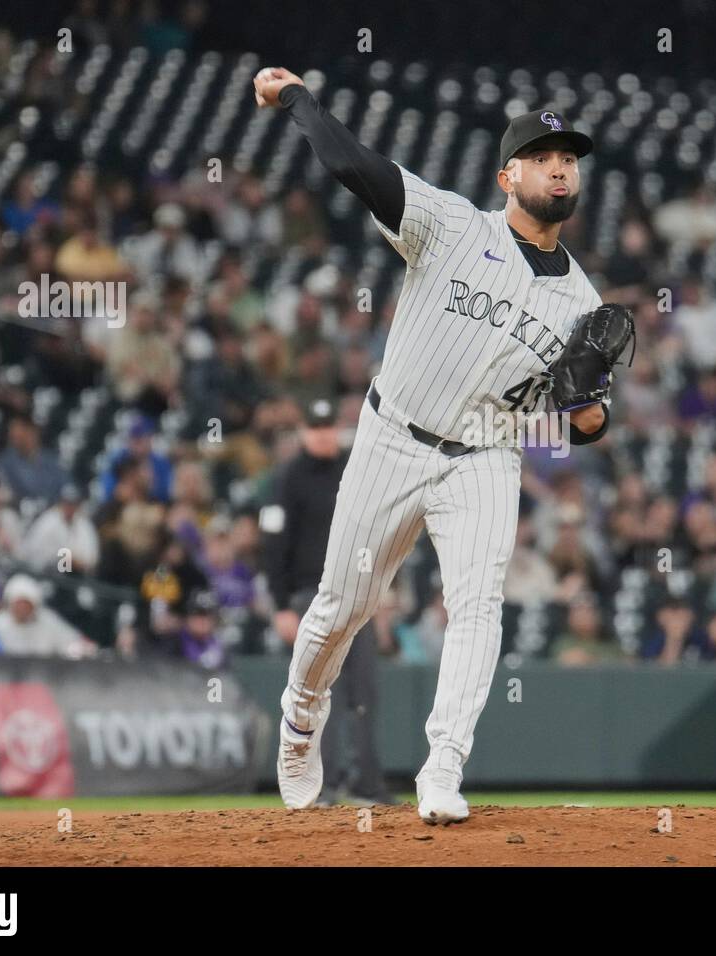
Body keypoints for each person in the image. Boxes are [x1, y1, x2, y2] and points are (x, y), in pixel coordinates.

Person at [254, 67, 609, 823]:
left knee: (479, 607)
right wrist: (296, 98)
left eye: (570, 157)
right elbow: (353, 166)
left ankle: (442, 769)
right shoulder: (450, 224)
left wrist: (588, 408)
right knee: (342, 608)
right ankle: (299, 716)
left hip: (485, 456)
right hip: (393, 437)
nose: (559, 166)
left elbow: (583, 425)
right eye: (544, 154)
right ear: (507, 175)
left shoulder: (583, 302)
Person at [260, 399, 392, 805]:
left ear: (336, 428)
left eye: (327, 426)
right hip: (308, 597)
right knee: (318, 691)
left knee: (363, 693)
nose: (322, 434)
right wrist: (280, 605)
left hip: (357, 594)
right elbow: (273, 546)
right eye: (314, 427)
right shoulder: (286, 478)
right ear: (303, 431)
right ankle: (325, 787)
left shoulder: (352, 470)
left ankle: (366, 784)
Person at [0, 574, 96, 658]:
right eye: (18, 604)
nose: (22, 608)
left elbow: (71, 644)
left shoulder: (48, 621)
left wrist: (84, 649)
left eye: (26, 604)